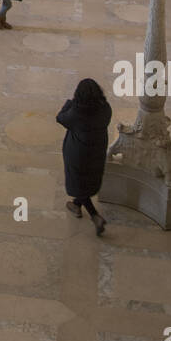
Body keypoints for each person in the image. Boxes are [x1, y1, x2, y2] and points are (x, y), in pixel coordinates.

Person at [56, 79, 112, 236]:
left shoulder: (76, 113)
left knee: (78, 182)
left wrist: (69, 103)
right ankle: (75, 206)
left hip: (78, 154)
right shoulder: (105, 108)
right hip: (97, 150)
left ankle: (95, 216)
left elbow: (60, 118)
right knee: (86, 180)